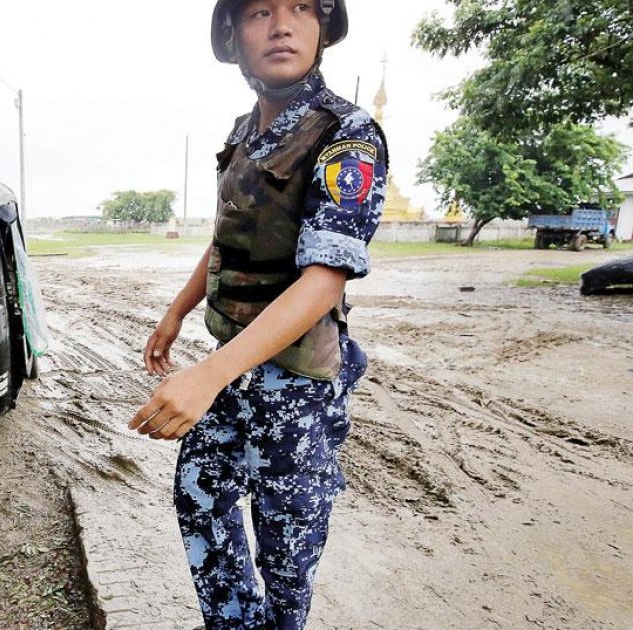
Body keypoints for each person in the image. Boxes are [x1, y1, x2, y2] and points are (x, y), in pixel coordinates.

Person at [127, 1, 387, 628]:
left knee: (287, 550)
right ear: (233, 35)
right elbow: (227, 234)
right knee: (200, 498)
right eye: (260, 12)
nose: (281, 26)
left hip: (297, 383)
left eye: (300, 8)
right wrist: (177, 312)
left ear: (323, 28)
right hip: (233, 368)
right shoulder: (245, 131)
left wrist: (208, 375)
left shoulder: (347, 135)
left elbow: (324, 280)